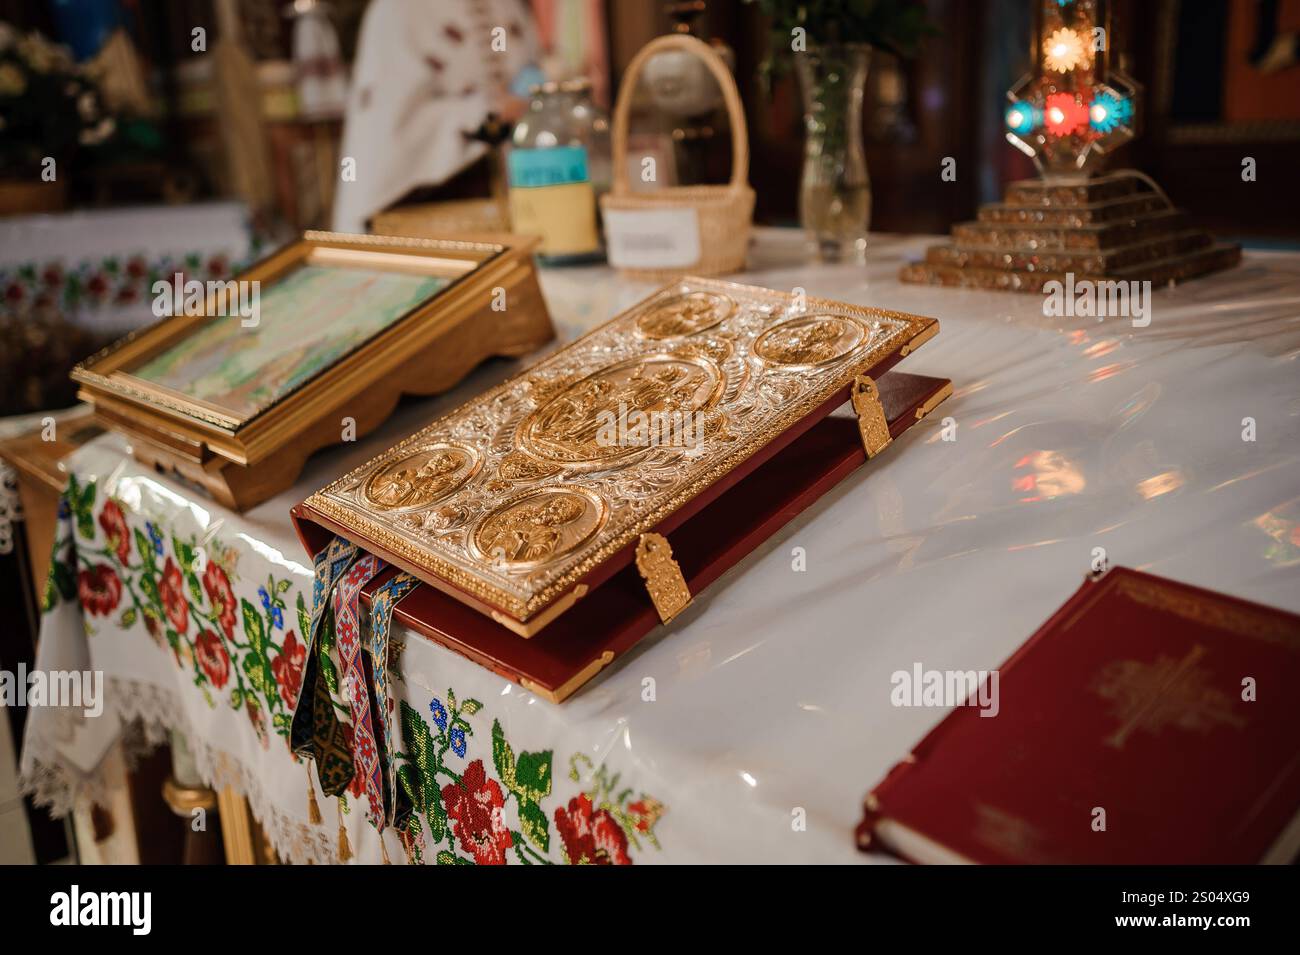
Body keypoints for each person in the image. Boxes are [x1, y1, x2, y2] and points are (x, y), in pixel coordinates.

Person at [332, 0, 542, 233]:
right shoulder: (399, 9)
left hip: (516, 199)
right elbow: (387, 125)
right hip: (435, 207)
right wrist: (484, 113)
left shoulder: (507, 4)